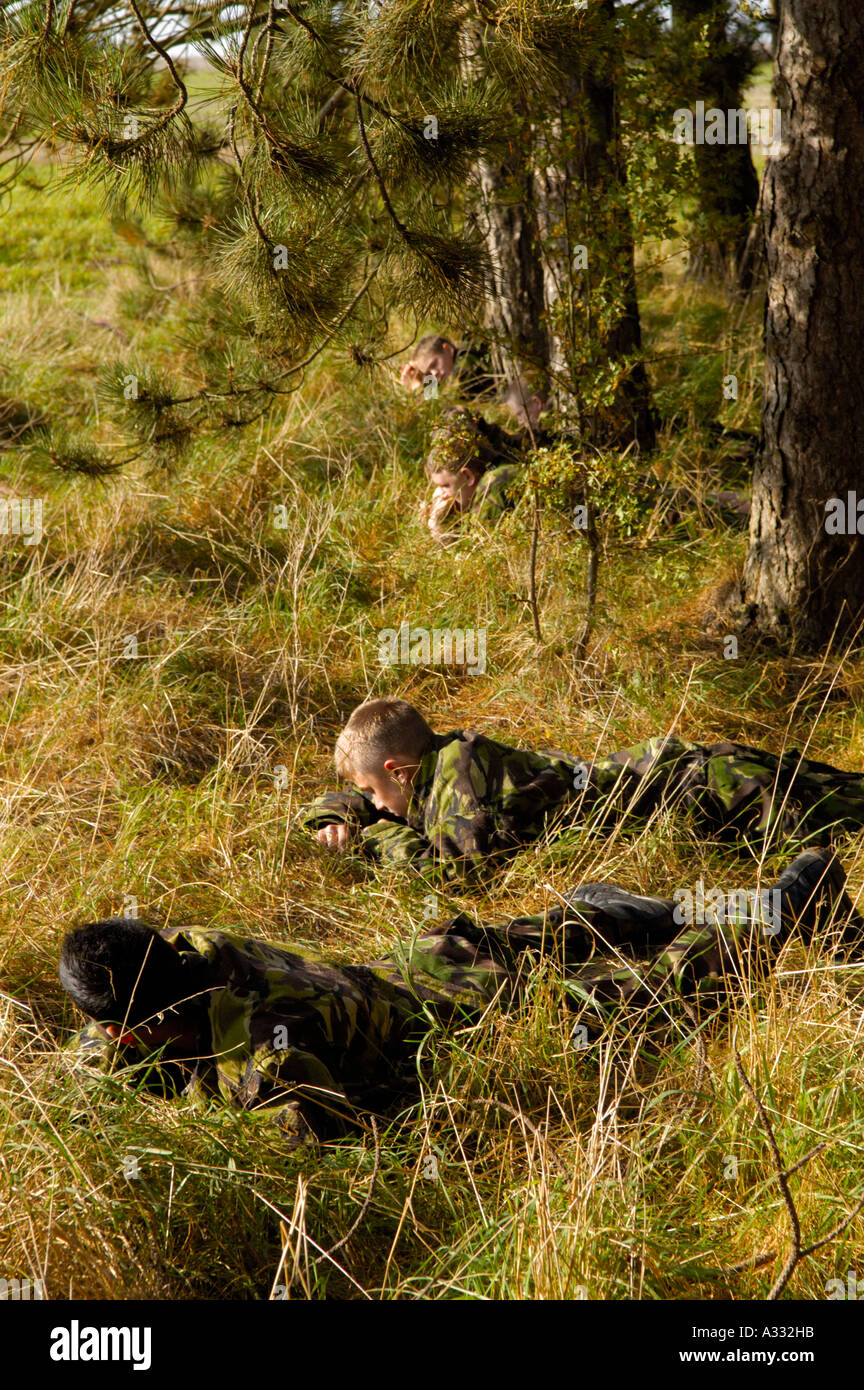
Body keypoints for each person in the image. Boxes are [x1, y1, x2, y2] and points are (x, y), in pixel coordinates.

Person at [59, 852, 860, 1141]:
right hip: (419, 959)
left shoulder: (260, 1061)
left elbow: (338, 1149)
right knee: (561, 926)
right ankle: (615, 909)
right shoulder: (190, 948)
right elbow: (103, 1044)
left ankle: (789, 900)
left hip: (466, 1019)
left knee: (660, 991)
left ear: (142, 1033)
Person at [302, 698, 864, 877]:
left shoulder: (455, 769)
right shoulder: (430, 774)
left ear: (402, 770)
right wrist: (343, 813)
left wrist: (373, 836)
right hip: (691, 778)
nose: (378, 804)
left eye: (377, 791)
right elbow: (360, 799)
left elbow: (455, 870)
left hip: (708, 787)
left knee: (848, 817)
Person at [420, 407, 524, 540]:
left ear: (468, 476)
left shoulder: (493, 484)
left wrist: (439, 531)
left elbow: (479, 553)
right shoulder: (493, 470)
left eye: (445, 485)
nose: (441, 494)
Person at [400, 333, 496, 400]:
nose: (434, 373)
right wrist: (418, 378)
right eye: (428, 373)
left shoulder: (465, 358)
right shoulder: (451, 372)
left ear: (448, 349)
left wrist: (417, 387)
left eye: (434, 364)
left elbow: (450, 395)